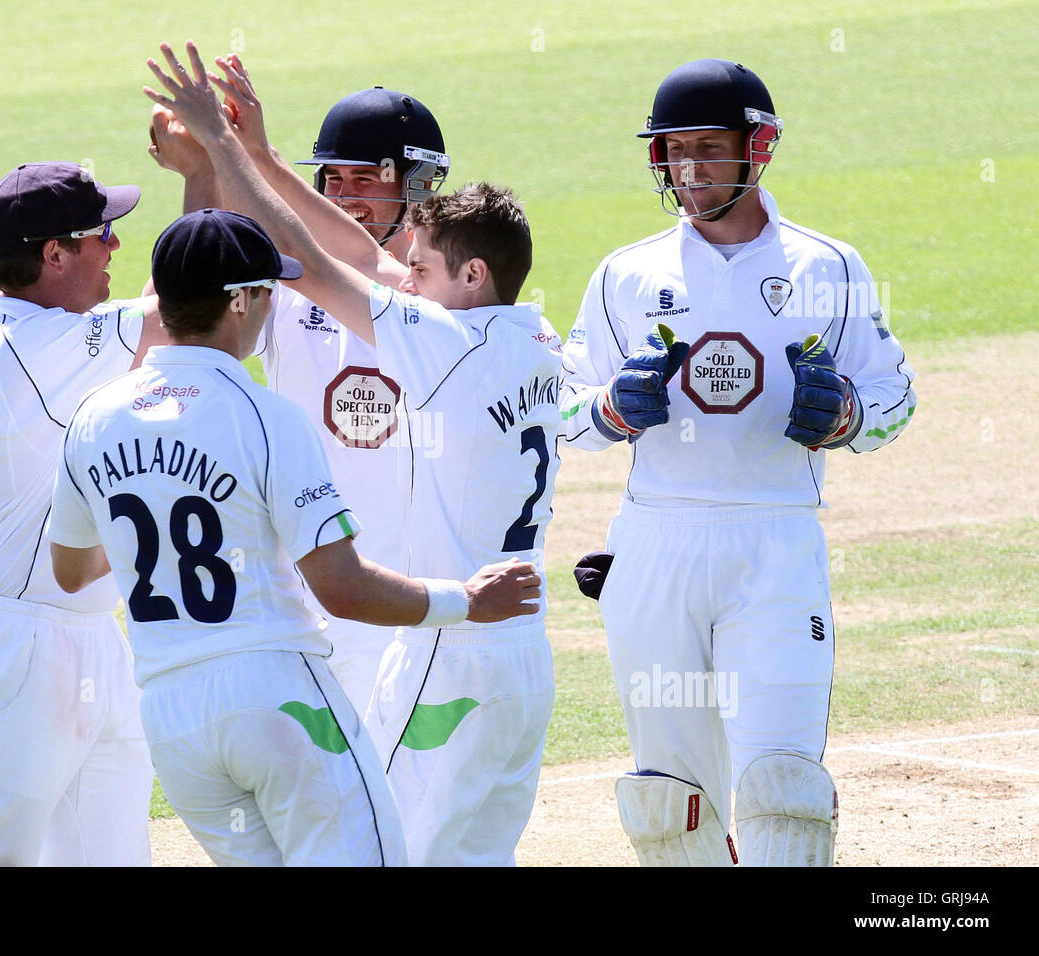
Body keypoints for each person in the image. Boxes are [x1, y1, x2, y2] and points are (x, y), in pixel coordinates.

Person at [143, 41, 562, 866]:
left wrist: (224, 150)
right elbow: (366, 258)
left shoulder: (442, 345)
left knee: (380, 847)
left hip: (445, 632)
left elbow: (320, 259)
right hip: (519, 651)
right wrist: (255, 154)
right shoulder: (530, 335)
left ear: (470, 274)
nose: (403, 278)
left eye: (422, 270)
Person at [47, 207, 542, 866]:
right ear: (242, 300)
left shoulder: (95, 418)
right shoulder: (269, 417)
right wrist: (467, 602)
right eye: (267, 287)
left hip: (172, 719)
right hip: (276, 701)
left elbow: (73, 570)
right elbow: (343, 589)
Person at [559, 59, 916, 866]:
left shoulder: (828, 266)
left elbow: (896, 399)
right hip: (656, 549)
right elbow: (560, 415)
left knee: (783, 792)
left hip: (776, 546)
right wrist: (609, 409)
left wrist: (850, 415)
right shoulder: (625, 273)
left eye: (707, 148)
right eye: (672, 151)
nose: (687, 170)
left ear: (759, 147)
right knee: (670, 806)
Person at [148, 70, 451, 718]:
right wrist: (201, 171)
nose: (345, 197)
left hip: (406, 600)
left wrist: (243, 149)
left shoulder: (434, 300)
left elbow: (336, 257)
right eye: (332, 180)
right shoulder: (282, 294)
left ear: (421, 184)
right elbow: (199, 294)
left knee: (398, 808)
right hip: (298, 603)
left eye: (365, 180)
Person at [0, 161, 165, 866]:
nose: (116, 246)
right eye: (102, 232)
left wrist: (207, 168)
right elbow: (177, 304)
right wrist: (213, 158)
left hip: (91, 636)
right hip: (12, 645)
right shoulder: (24, 351)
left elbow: (167, 306)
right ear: (53, 254)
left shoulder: (58, 340)